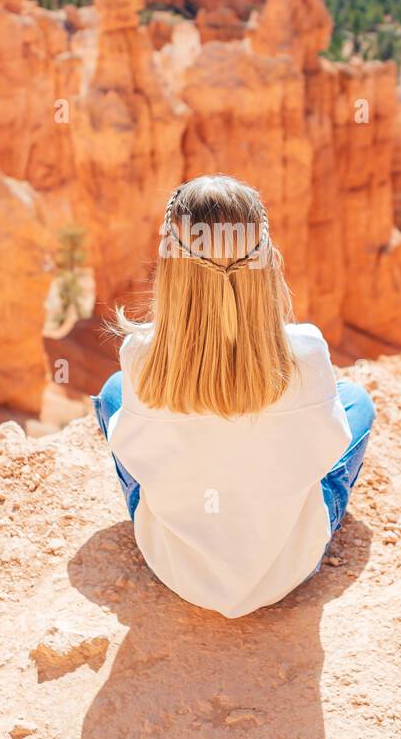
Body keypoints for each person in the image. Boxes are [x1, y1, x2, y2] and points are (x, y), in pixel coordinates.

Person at [91, 174, 375, 619]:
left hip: (174, 565)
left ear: (170, 264)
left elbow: (139, 452)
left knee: (113, 393)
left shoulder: (141, 357)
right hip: (288, 567)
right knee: (355, 399)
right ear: (267, 259)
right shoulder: (306, 352)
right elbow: (326, 448)